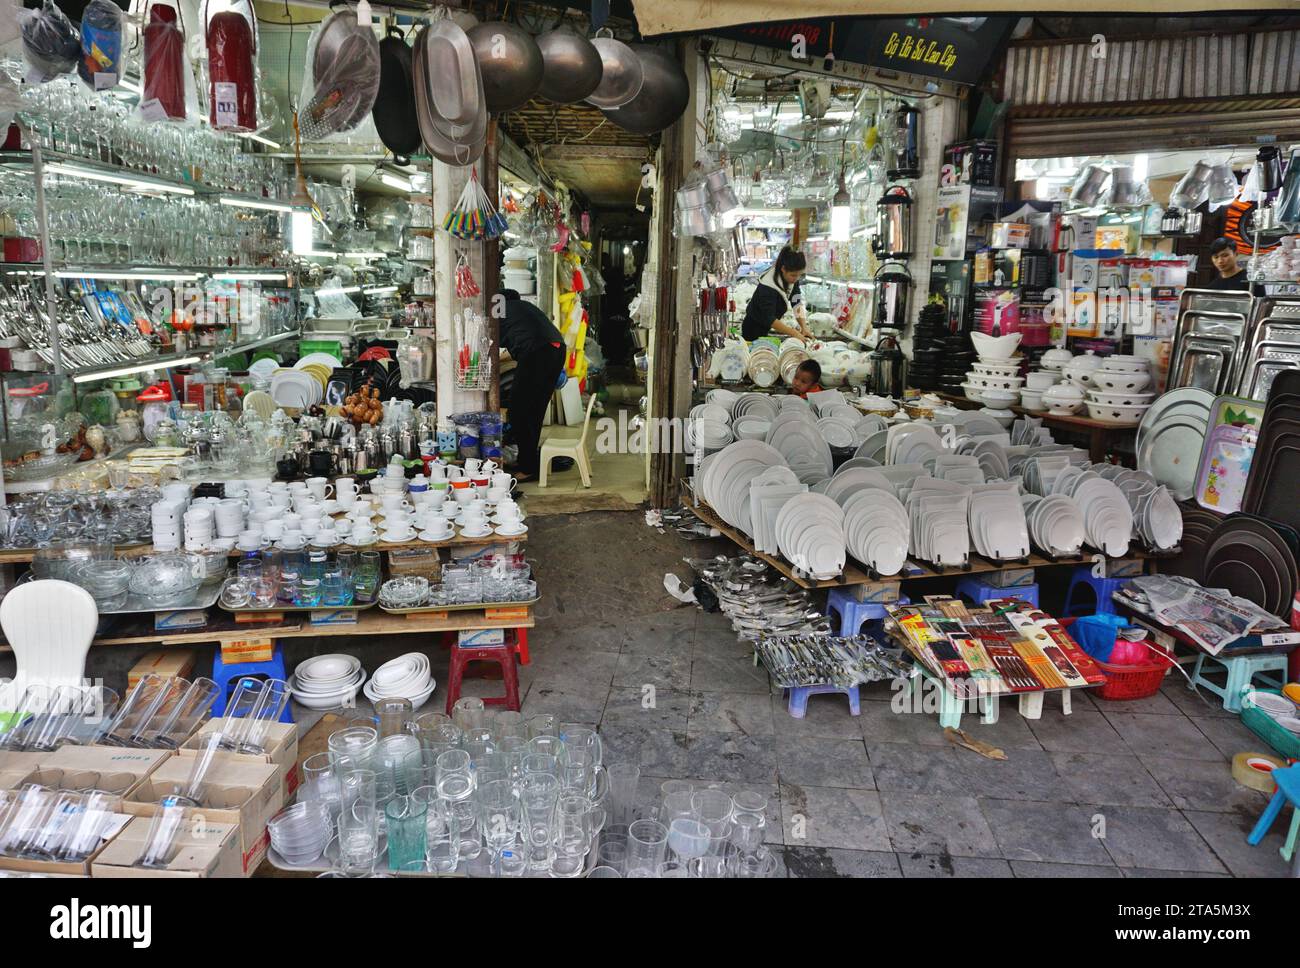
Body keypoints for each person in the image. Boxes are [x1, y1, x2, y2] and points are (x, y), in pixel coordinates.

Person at [499, 289, 566, 482]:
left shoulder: (501, 312)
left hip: (537, 352)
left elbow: (492, 346)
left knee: (518, 410)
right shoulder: (523, 308)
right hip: (556, 349)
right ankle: (527, 461)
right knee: (534, 411)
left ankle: (527, 467)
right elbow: (520, 343)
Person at [741, 246, 811, 342]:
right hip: (753, 330)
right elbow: (769, 319)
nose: (796, 278)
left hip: (768, 327)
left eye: (800, 275)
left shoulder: (791, 279)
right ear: (783, 269)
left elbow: (796, 302)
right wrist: (794, 333)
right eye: (793, 275)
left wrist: (804, 327)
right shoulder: (767, 287)